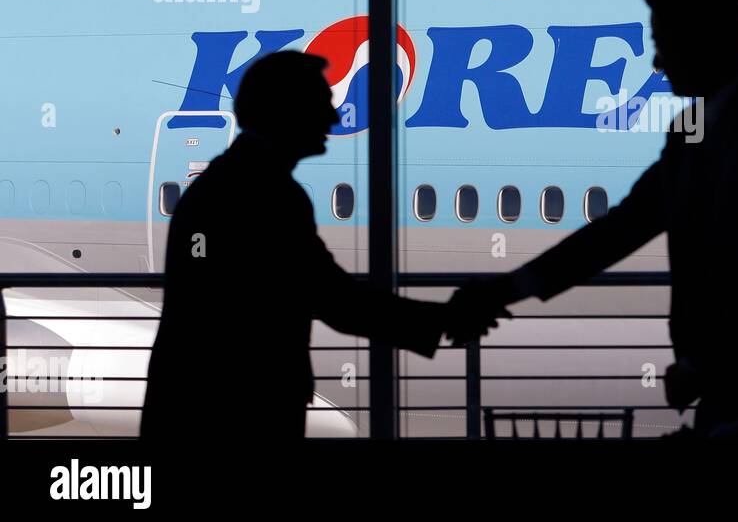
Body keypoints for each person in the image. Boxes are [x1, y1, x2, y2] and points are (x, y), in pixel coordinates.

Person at [453, 0, 738, 439]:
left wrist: (704, 365)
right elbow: (625, 225)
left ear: (704, 41)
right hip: (734, 392)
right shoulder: (697, 129)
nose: (657, 61)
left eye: (665, 41)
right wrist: (508, 289)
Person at [141, 52, 495, 439]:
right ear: (287, 113)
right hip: (237, 408)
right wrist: (445, 319)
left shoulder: (228, 184)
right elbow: (335, 299)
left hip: (202, 403)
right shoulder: (266, 194)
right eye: (320, 104)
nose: (331, 117)